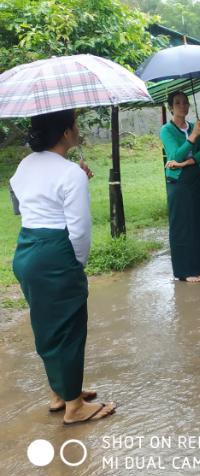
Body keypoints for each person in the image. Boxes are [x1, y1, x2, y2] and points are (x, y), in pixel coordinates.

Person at [10, 110, 117, 424]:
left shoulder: (25, 164)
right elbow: (79, 231)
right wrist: (76, 264)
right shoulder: (70, 173)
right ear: (66, 132)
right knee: (69, 328)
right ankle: (75, 407)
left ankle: (60, 393)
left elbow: (21, 204)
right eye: (75, 124)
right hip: (54, 252)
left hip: (27, 249)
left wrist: (75, 179)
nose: (78, 129)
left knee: (47, 326)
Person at [160, 91, 200, 283]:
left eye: (185, 102)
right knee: (183, 224)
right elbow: (175, 155)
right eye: (177, 103)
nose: (182, 106)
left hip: (197, 177)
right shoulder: (166, 130)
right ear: (170, 107)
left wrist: (187, 162)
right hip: (179, 182)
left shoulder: (194, 126)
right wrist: (193, 137)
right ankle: (186, 270)